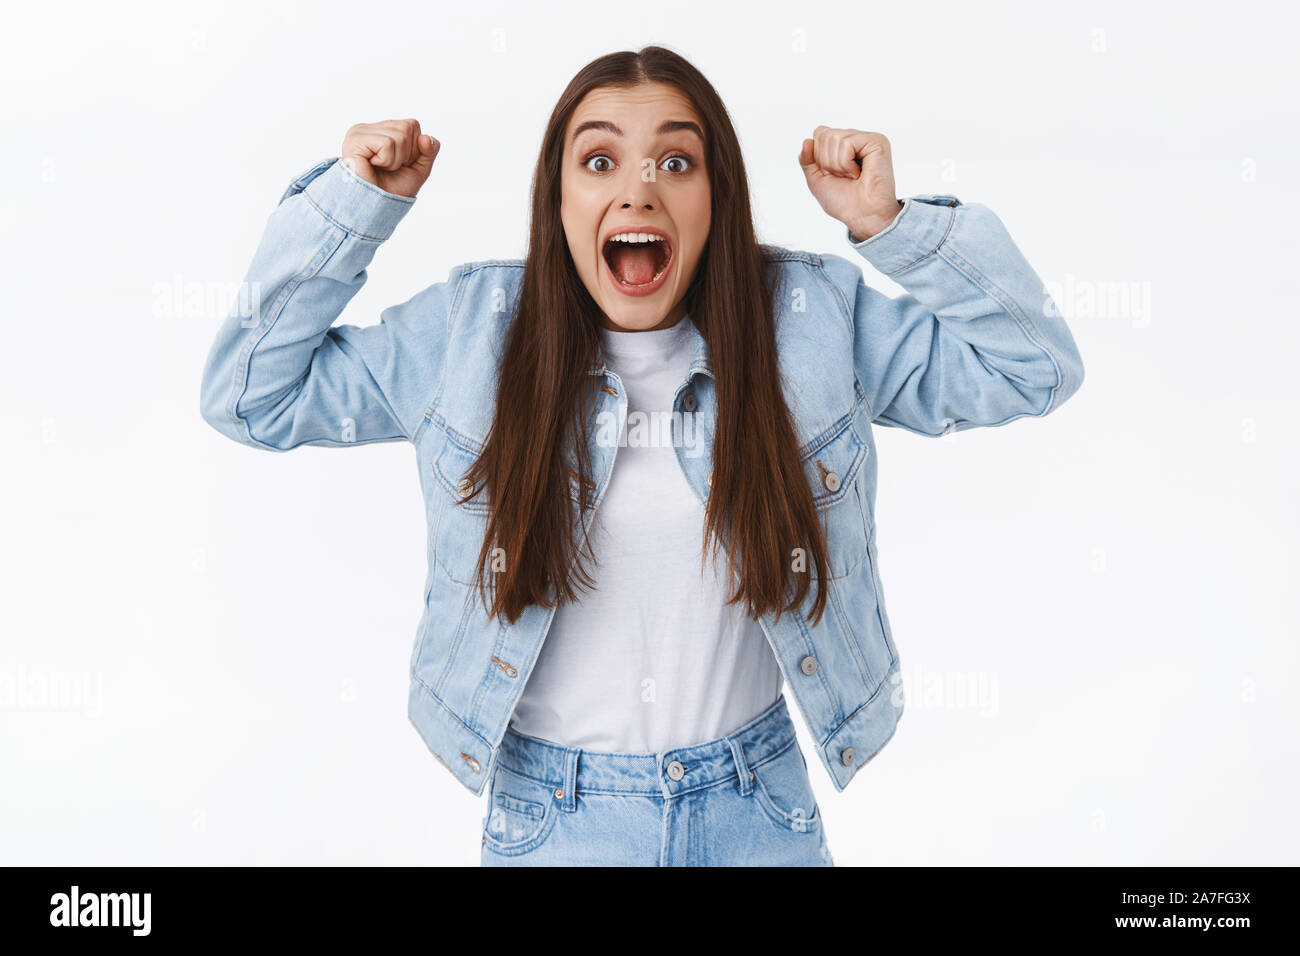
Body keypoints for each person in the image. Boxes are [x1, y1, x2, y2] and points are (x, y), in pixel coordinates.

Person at [199, 45, 1085, 866]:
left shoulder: (814, 322)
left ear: (716, 196)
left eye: (676, 161)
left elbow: (1033, 370)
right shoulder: (463, 337)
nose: (638, 192)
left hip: (759, 811)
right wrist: (352, 208)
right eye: (598, 161)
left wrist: (887, 223)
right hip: (554, 819)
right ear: (559, 201)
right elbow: (250, 395)